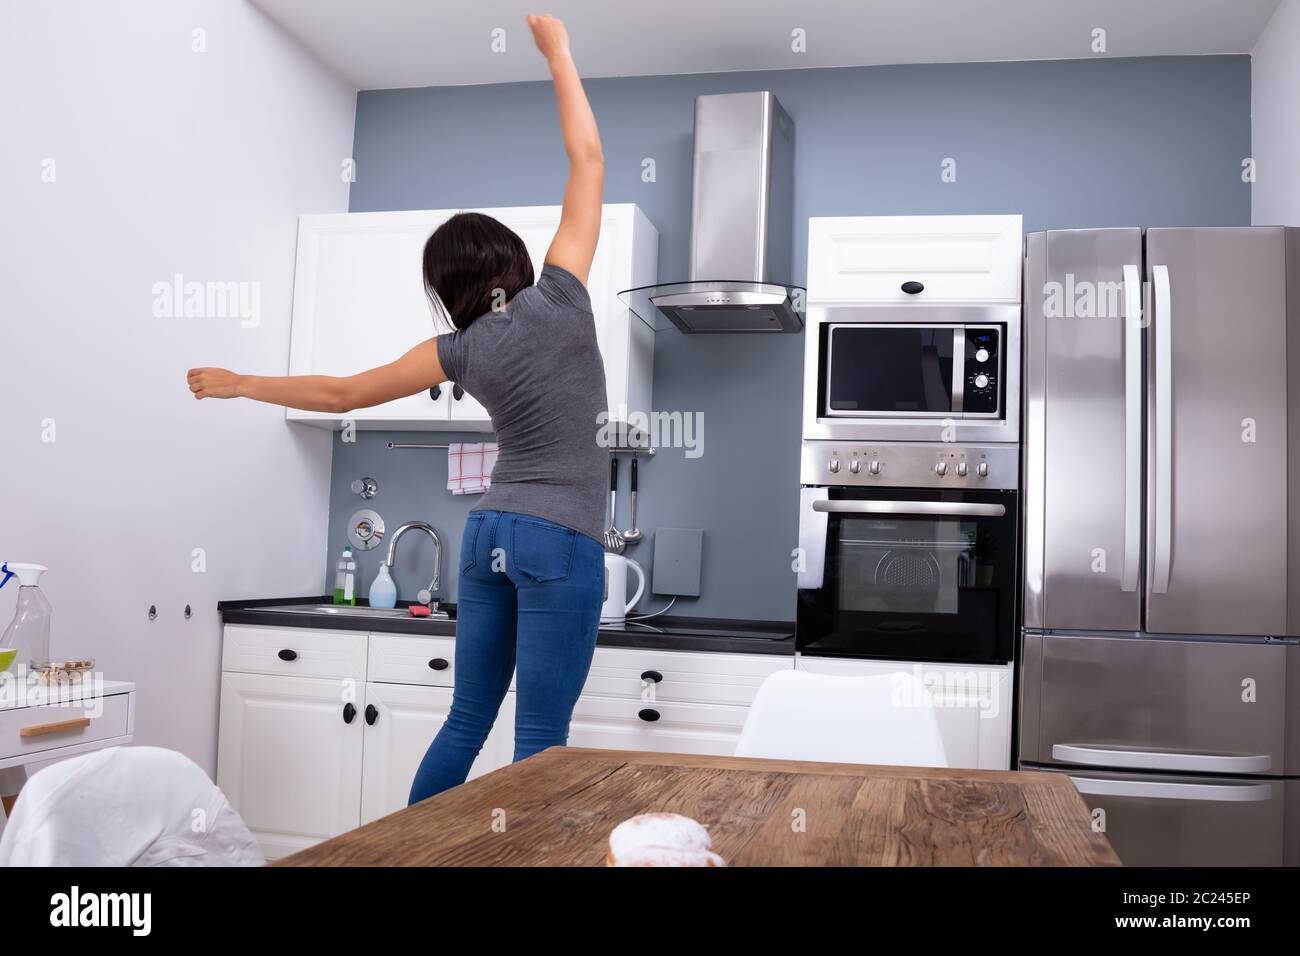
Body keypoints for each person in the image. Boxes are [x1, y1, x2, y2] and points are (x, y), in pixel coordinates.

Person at [187, 14, 609, 803]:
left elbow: (343, 394)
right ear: (512, 260)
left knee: (466, 719)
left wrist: (244, 381)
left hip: (488, 530)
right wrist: (559, 52)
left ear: (449, 289)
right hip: (561, 539)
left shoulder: (458, 350)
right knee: (543, 743)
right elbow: (587, 158)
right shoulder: (562, 293)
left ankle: (410, 856)